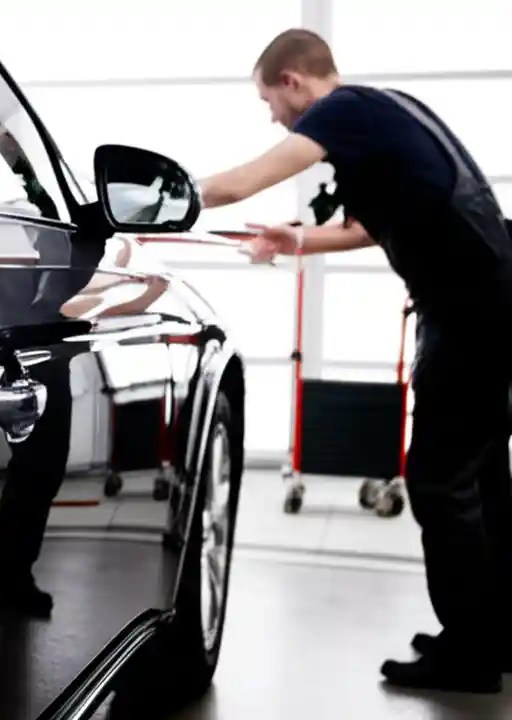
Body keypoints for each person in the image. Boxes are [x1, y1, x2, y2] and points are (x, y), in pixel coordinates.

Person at [197, 28, 512, 694]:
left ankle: (471, 656)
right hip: (484, 302)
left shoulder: (344, 111)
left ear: (293, 82)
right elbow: (369, 228)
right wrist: (295, 239)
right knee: (481, 482)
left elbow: (240, 183)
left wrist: (159, 201)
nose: (274, 117)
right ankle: (490, 634)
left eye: (269, 101)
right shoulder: (382, 117)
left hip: (471, 312)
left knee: (438, 482)